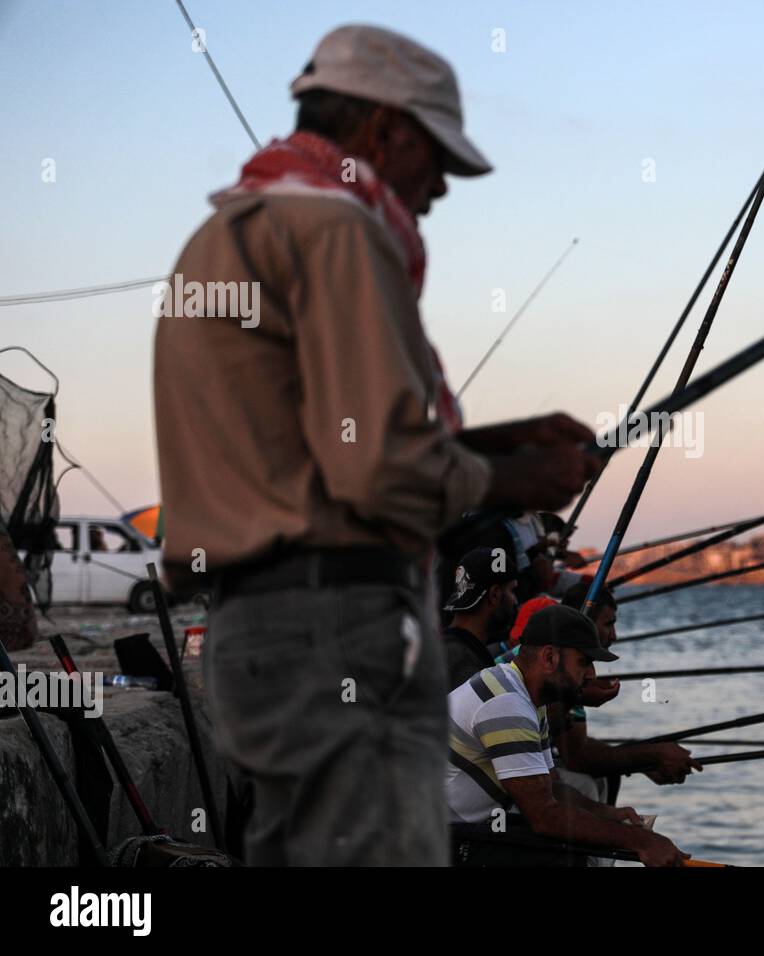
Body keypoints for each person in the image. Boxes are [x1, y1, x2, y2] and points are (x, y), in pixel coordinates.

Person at [153, 25, 600, 865]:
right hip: (340, 631)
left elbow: (314, 446)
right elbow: (375, 472)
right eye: (436, 160)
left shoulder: (223, 238)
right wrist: (519, 479)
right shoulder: (339, 234)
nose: (436, 191)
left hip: (258, 634)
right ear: (384, 130)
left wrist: (506, 443)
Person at [446, 604, 687, 866]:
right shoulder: (505, 704)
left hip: (461, 829)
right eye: (584, 661)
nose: (592, 674)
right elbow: (544, 816)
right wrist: (641, 841)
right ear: (549, 658)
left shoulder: (524, 697)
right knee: (569, 860)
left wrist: (607, 814)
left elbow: (551, 788)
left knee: (579, 848)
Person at [550, 585, 702, 800]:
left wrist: (642, 762)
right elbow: (576, 757)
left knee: (607, 777)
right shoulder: (557, 669)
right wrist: (652, 755)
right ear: (586, 624)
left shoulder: (571, 666)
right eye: (609, 624)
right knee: (584, 786)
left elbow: (575, 744)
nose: (614, 635)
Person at [442, 547, 518, 690]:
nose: (515, 601)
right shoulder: (466, 668)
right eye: (512, 591)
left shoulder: (441, 646)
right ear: (495, 595)